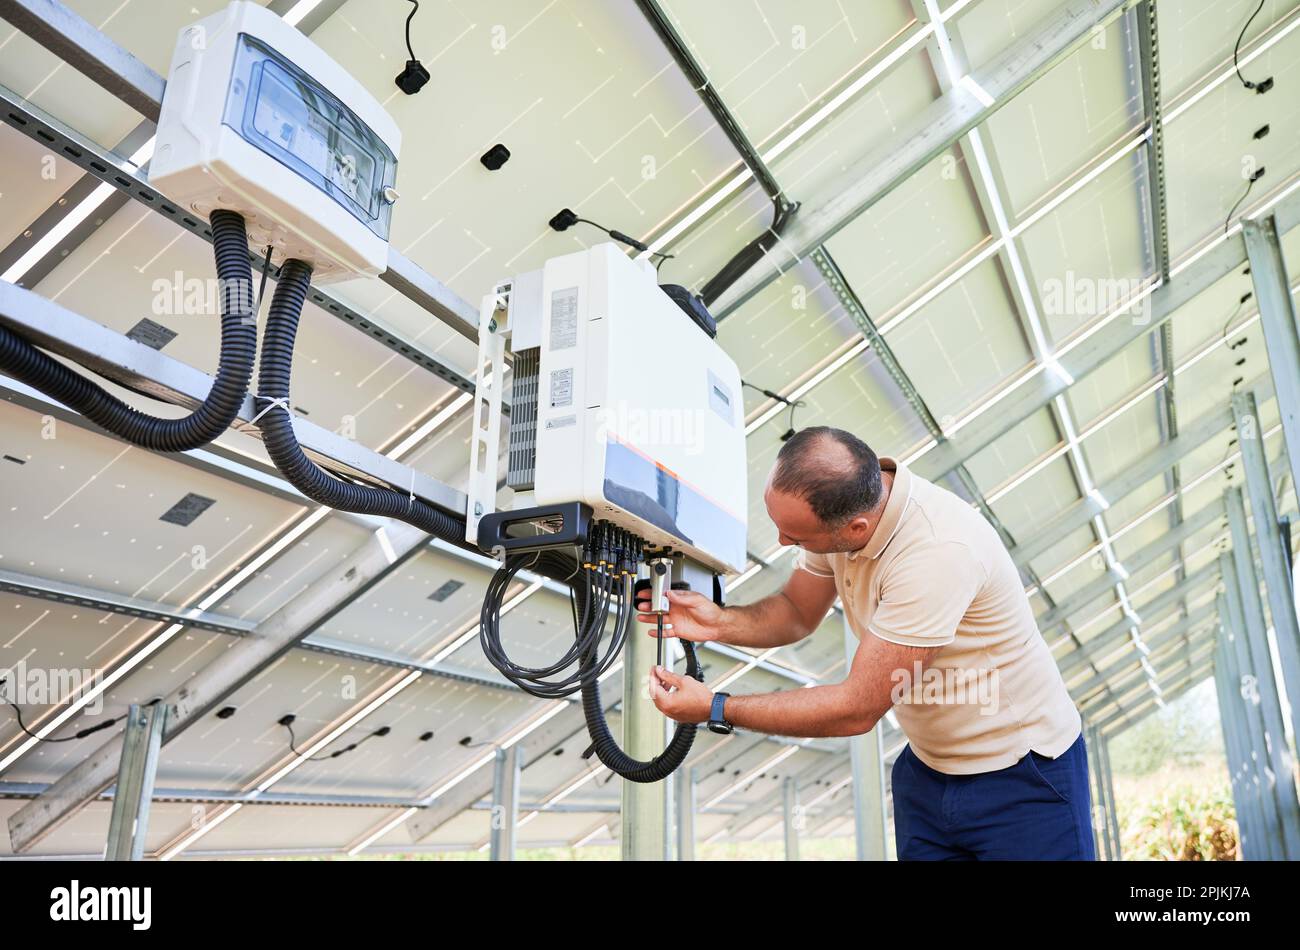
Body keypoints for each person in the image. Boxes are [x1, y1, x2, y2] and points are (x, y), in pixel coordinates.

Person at [642, 426, 1094, 860]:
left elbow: (857, 708)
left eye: (795, 536)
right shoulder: (840, 499)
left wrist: (716, 707)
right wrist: (718, 622)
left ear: (856, 529)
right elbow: (797, 612)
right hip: (928, 769)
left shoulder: (938, 553)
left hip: (1021, 774)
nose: (781, 541)